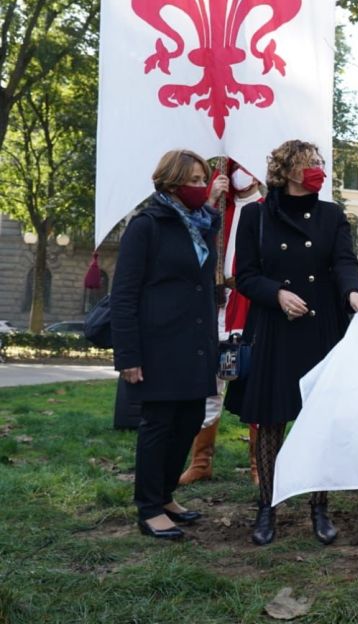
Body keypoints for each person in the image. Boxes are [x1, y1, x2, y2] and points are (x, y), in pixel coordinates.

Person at [224, 140, 358, 546]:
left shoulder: (332, 215)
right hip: (274, 329)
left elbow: (344, 262)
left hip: (322, 328)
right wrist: (277, 294)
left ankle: (319, 507)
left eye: (320, 162)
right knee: (270, 420)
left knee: (319, 420)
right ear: (287, 170)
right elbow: (246, 275)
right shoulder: (256, 216)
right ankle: (267, 506)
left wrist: (352, 293)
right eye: (310, 163)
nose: (319, 169)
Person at [110, 149, 228, 540]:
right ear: (171, 182)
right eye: (194, 180)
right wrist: (128, 355)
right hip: (158, 344)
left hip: (195, 342)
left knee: (190, 419)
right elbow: (124, 295)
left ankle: (164, 496)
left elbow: (201, 278)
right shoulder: (147, 225)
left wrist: (211, 207)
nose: (201, 186)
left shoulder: (200, 223)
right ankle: (148, 508)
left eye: (203, 179)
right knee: (159, 424)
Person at [179, 162, 262, 485]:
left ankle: (258, 464)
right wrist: (211, 199)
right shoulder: (213, 208)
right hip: (216, 304)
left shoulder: (269, 208)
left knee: (255, 381)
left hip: (252, 305)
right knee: (209, 381)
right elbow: (190, 237)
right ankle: (201, 461)